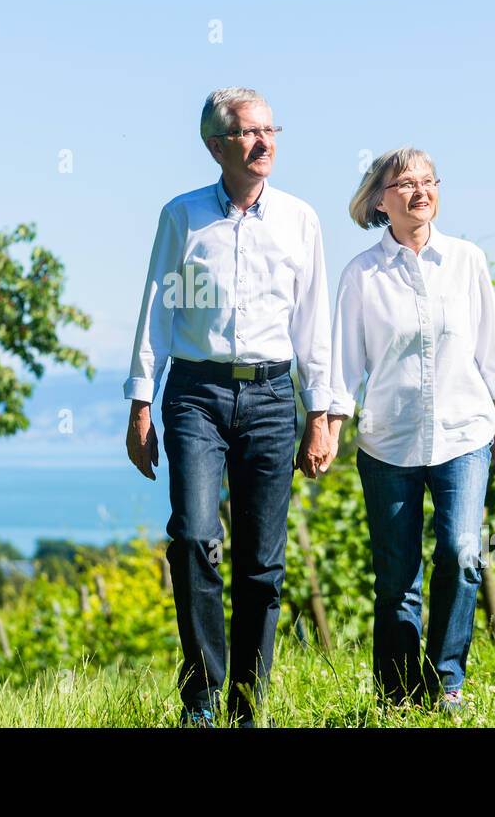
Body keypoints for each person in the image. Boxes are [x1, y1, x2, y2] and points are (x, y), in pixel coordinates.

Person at [124, 87, 339, 727]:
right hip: (195, 392)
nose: (263, 142)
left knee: (262, 561)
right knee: (193, 537)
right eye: (248, 133)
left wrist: (322, 414)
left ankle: (249, 706)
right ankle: (201, 697)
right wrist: (141, 401)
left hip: (274, 397)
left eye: (270, 130)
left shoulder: (301, 219)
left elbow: (313, 325)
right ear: (217, 146)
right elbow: (157, 313)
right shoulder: (182, 217)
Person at [329, 146, 495, 713]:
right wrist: (329, 426)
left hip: (464, 434)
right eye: (405, 183)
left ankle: (447, 684)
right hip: (388, 442)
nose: (420, 191)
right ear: (380, 200)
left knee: (461, 553)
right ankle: (397, 697)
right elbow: (344, 363)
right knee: (396, 581)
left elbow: (490, 344)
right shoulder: (361, 274)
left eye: (428, 181)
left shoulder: (466, 260)